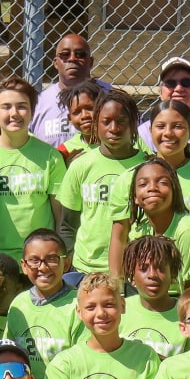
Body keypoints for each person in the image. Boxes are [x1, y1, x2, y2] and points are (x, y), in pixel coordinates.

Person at [0, 78, 66, 266]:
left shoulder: (50, 156)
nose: (14, 113)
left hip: (40, 261)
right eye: (6, 107)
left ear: (32, 113)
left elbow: (61, 217)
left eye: (22, 106)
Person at [56, 87, 144, 276]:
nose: (114, 128)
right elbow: (67, 225)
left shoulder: (148, 167)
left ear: (134, 125)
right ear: (96, 125)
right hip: (86, 269)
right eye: (106, 122)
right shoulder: (81, 165)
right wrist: (70, 261)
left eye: (121, 121)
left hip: (135, 270)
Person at [112, 155, 190, 291]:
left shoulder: (189, 231)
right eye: (143, 184)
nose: (152, 188)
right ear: (135, 197)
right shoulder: (139, 229)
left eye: (162, 182)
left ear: (174, 191)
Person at [2, 228, 79, 379]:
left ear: (66, 263)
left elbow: (83, 361)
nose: (43, 268)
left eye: (52, 259)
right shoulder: (18, 304)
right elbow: (9, 353)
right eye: (34, 260)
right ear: (23, 266)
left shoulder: (78, 304)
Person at [30, 32, 111, 145]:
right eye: (65, 54)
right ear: (56, 63)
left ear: (91, 62)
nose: (72, 58)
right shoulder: (38, 103)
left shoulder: (111, 97)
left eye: (80, 54)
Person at [119, 234, 187, 357]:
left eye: (160, 268)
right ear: (132, 277)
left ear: (172, 275)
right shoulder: (120, 310)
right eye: (144, 268)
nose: (152, 275)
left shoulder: (188, 314)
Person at [144, 99, 190, 213]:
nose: (168, 133)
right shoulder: (134, 176)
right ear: (150, 131)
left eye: (177, 126)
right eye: (160, 126)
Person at [56, 81, 102, 162]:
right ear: (70, 119)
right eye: (77, 112)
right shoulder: (64, 151)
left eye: (90, 108)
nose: (84, 115)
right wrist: (67, 168)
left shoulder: (122, 144)